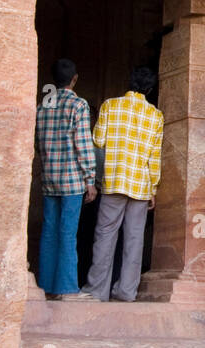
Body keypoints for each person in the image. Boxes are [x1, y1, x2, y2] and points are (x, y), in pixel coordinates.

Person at [82, 67, 163, 302]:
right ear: (149, 89)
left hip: (113, 180)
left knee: (105, 235)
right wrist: (153, 188)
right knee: (135, 239)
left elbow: (98, 140)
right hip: (140, 185)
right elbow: (154, 157)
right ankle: (127, 291)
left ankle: (97, 289)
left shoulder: (110, 105)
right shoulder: (156, 115)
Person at [35, 59, 97, 301]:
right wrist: (89, 178)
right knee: (67, 233)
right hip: (72, 180)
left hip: (49, 178)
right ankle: (67, 288)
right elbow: (82, 143)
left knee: (49, 232)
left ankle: (46, 285)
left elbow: (39, 143)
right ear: (75, 79)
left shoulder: (43, 107)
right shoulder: (78, 105)